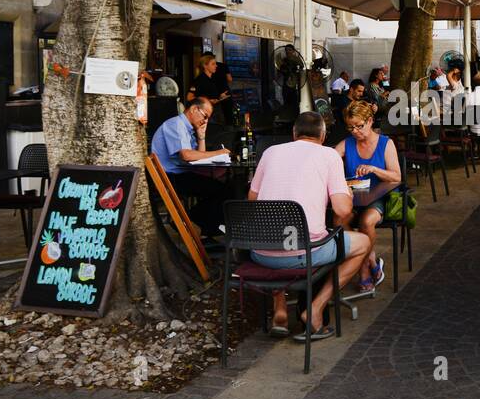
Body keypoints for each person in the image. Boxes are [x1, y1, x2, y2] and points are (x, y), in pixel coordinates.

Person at [249, 111, 371, 341]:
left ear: (294, 134)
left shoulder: (270, 152)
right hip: (304, 253)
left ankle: (280, 310)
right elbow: (343, 211)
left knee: (277, 236)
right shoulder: (328, 156)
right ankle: (316, 308)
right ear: (323, 136)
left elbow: (252, 199)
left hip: (260, 253)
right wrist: (345, 190)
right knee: (363, 242)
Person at [333, 101, 401, 291]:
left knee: (367, 220)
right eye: (350, 127)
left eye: (359, 126)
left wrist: (374, 169)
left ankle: (363, 268)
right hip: (354, 197)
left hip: (379, 196)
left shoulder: (386, 143)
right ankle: (370, 260)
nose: (355, 131)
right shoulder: (347, 143)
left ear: (370, 121)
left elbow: (396, 176)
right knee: (339, 218)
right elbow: (328, 160)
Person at [150, 97, 231, 239]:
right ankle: (192, 223)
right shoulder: (176, 124)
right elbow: (186, 155)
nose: (205, 121)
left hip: (180, 174)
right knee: (221, 191)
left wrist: (201, 137)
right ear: (194, 109)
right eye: (205, 116)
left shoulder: (188, 128)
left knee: (222, 189)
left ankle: (201, 227)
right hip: (171, 177)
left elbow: (199, 156)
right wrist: (219, 153)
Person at [187, 52, 233, 122]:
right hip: (206, 114)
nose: (216, 66)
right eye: (213, 64)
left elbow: (210, 95)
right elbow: (189, 98)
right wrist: (207, 101)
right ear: (205, 66)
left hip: (216, 112)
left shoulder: (213, 79)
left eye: (215, 64)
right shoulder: (199, 80)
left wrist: (220, 97)